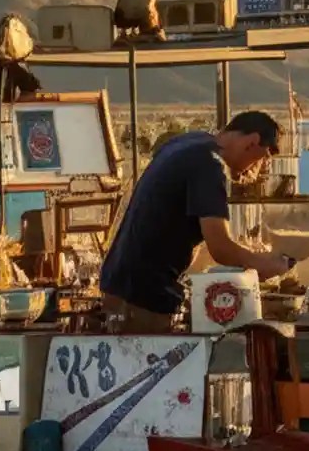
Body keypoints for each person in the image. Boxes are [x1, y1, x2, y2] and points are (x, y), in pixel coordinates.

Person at [100, 110, 291, 333]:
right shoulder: (210, 165)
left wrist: (248, 253)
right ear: (252, 142)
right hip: (141, 297)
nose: (258, 170)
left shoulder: (189, 143)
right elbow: (221, 248)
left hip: (122, 284)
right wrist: (266, 264)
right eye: (264, 158)